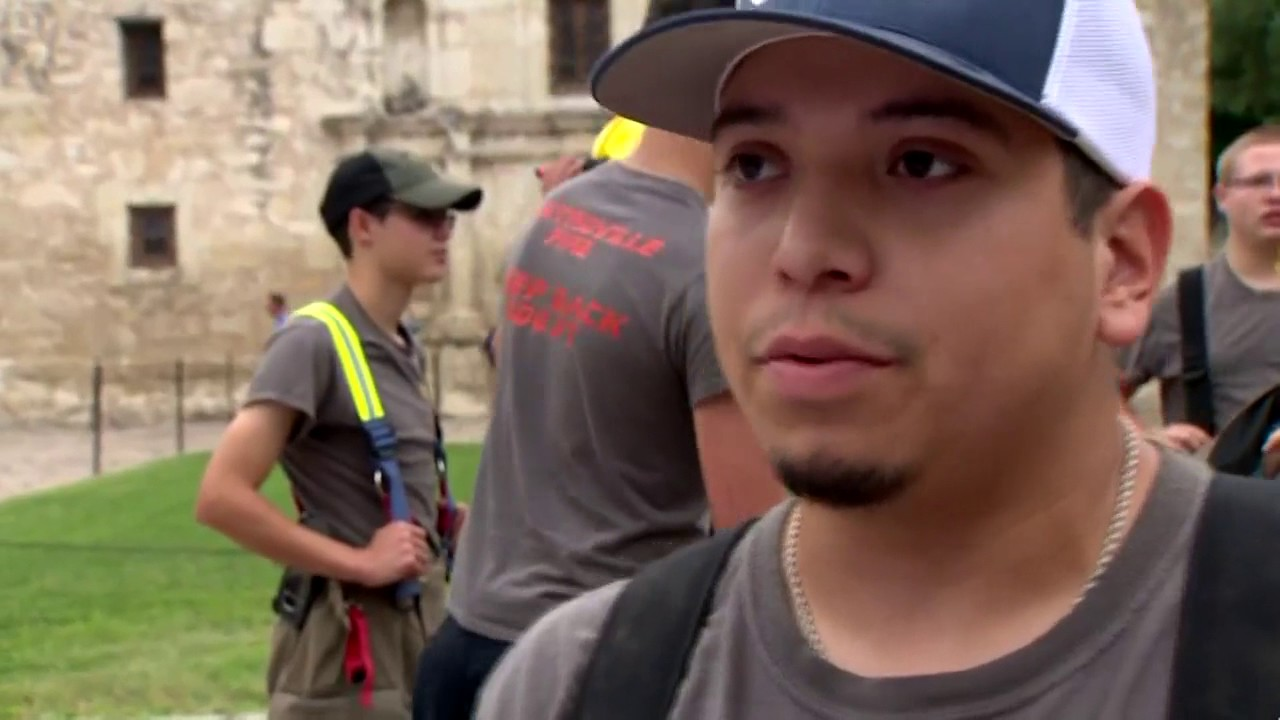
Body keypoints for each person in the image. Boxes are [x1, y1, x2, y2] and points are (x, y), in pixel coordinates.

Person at [469, 0, 1259, 717]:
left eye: (921, 163)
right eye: (753, 164)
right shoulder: (577, 686)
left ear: (1119, 259)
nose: (804, 251)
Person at [411, 2, 783, 717]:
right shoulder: (705, 266)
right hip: (590, 665)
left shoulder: (559, 211)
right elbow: (752, 547)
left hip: (466, 636)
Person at [194, 147, 482, 718]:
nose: (443, 232)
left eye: (448, 220)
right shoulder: (312, 341)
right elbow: (220, 496)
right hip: (346, 656)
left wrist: (445, 520)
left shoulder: (401, 342)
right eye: (424, 217)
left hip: (414, 632)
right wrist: (361, 563)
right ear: (363, 225)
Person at [1121, 124, 1280, 454]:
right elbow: (1092, 392)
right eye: (1260, 181)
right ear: (1222, 197)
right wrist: (1144, 440)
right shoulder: (1185, 302)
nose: (1276, 194)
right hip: (1216, 497)